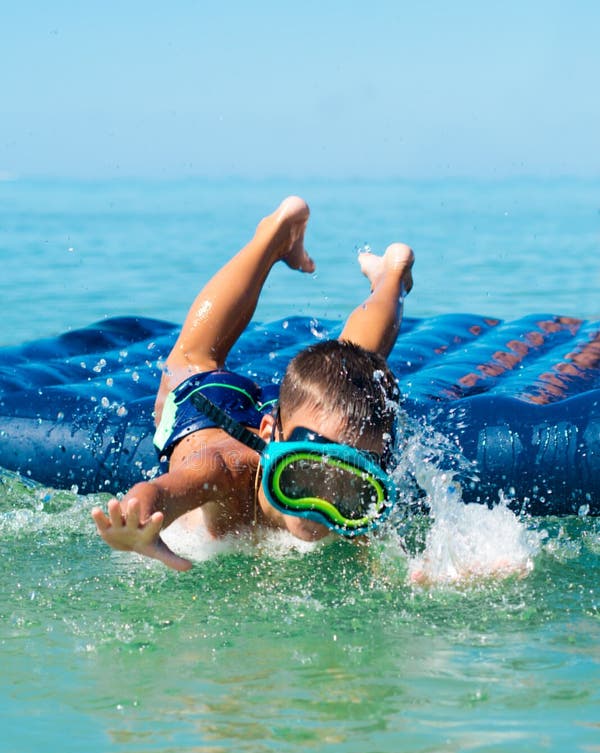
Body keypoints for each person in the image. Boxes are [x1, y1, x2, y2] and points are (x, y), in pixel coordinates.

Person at [91, 197, 414, 570]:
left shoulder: (353, 501)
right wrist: (134, 522)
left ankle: (393, 274)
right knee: (190, 360)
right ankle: (273, 236)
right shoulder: (223, 471)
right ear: (267, 434)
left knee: (354, 366)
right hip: (203, 407)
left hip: (304, 424)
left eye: (348, 487)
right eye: (305, 472)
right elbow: (157, 493)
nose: (321, 506)